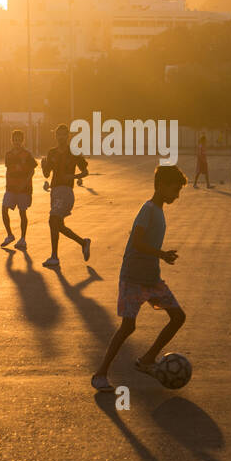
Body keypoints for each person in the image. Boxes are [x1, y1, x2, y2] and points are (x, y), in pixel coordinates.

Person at [92, 164, 188, 392]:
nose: (177, 195)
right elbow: (137, 242)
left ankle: (147, 359)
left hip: (151, 278)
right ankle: (100, 373)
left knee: (178, 317)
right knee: (128, 327)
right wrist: (162, 254)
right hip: (133, 277)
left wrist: (160, 257)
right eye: (175, 190)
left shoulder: (158, 209)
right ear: (161, 186)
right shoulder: (149, 209)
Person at [40, 123, 90, 269]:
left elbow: (85, 171)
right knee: (57, 224)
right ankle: (83, 242)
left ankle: (54, 257)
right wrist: (43, 166)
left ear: (68, 136)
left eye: (64, 134)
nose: (61, 137)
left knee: (53, 220)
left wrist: (73, 176)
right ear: (55, 136)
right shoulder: (52, 153)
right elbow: (47, 174)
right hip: (55, 191)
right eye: (58, 134)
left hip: (66, 191)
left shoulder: (74, 151)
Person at [1, 128, 37, 250]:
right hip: (11, 188)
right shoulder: (8, 155)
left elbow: (32, 170)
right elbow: (8, 170)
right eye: (14, 140)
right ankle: (10, 235)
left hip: (23, 189)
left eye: (19, 140)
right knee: (4, 209)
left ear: (22, 141)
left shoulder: (27, 154)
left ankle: (23, 238)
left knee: (22, 212)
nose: (16, 142)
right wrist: (7, 185)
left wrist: (25, 183)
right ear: (12, 140)